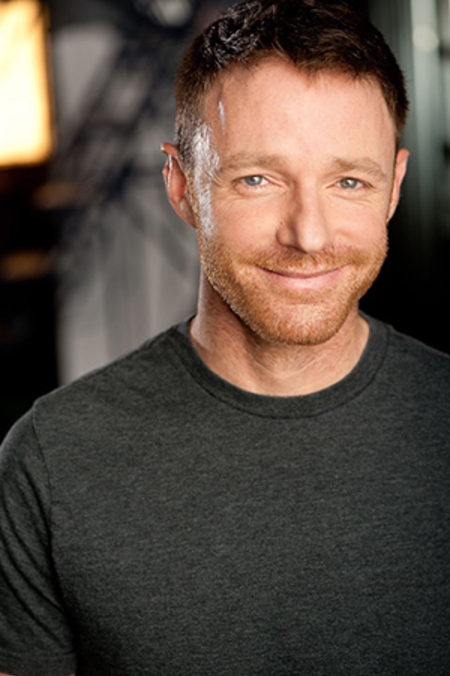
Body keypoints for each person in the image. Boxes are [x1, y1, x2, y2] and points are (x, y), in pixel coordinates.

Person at [1, 0, 449, 674]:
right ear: (182, 185)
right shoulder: (51, 462)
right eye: (258, 179)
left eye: (349, 180)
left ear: (394, 188)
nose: (309, 234)